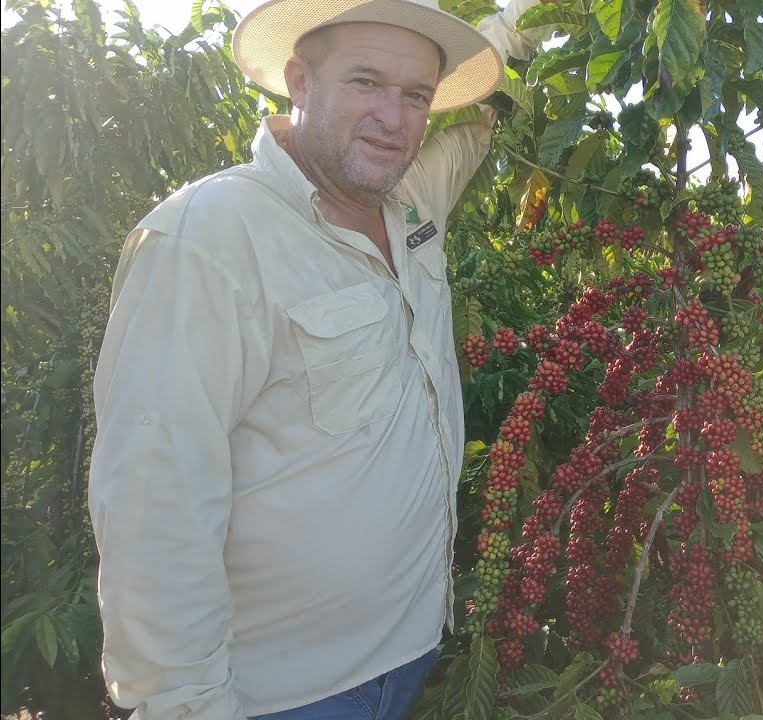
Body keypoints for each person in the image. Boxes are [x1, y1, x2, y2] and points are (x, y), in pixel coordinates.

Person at [87, 1, 550, 717]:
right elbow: (154, 501)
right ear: (300, 81)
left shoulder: (413, 207)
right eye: (366, 82)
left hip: (409, 652)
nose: (394, 119)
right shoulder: (209, 238)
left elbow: (476, 133)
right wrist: (184, 705)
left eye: (417, 95)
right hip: (282, 694)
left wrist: (524, 25)